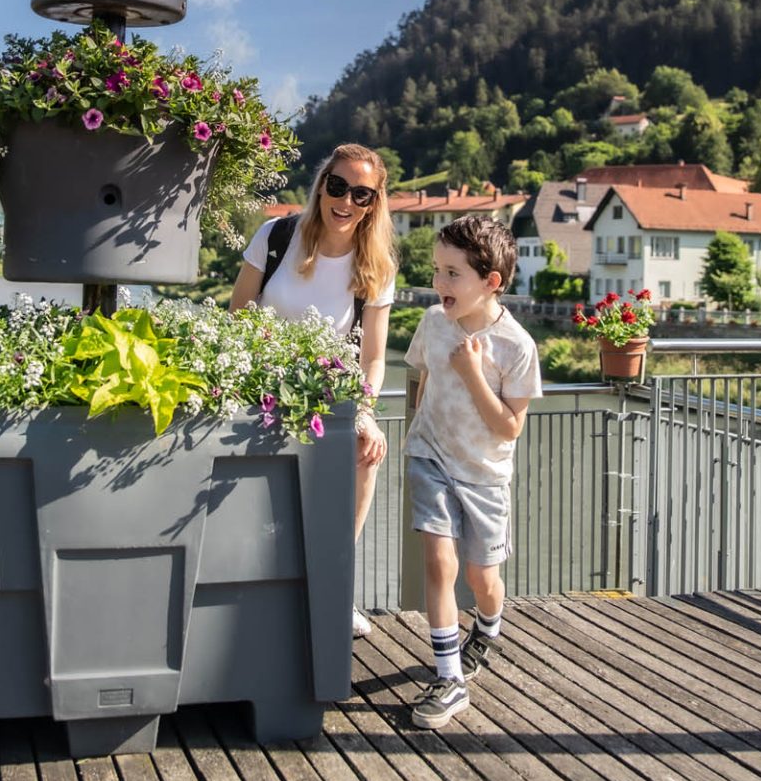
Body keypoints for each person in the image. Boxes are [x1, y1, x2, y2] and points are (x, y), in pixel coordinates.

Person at [229, 142, 396, 640]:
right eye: (338, 186)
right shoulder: (277, 236)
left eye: (360, 194)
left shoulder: (376, 267)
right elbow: (238, 316)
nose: (345, 201)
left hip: (324, 393)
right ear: (322, 185)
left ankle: (332, 586)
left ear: (373, 203)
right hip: (258, 385)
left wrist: (364, 410)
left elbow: (373, 358)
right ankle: (250, 592)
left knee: (368, 451)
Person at [400, 214, 540, 730]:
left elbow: (509, 429)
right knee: (439, 562)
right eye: (437, 270)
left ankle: (486, 628)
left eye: (452, 273)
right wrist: (416, 434)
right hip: (430, 457)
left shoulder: (517, 347)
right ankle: (449, 678)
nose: (439, 284)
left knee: (483, 578)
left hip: (485, 475)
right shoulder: (432, 322)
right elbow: (421, 383)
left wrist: (472, 372)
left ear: (491, 282)